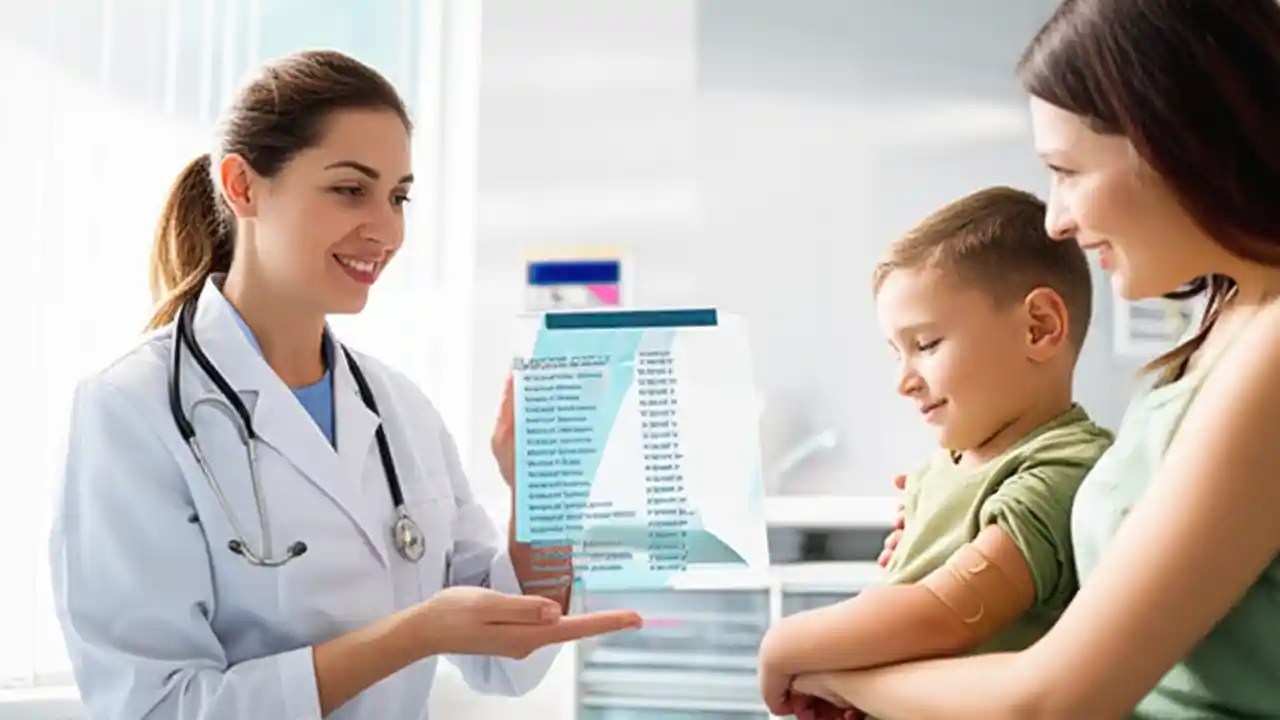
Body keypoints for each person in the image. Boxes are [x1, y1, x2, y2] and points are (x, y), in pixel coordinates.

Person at [49, 49, 640, 720]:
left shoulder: (398, 409)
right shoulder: (133, 410)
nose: (387, 230)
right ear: (243, 186)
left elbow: (507, 658)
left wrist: (545, 494)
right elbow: (159, 708)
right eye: (349, 190)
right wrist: (415, 634)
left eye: (398, 197)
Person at [787, 1, 1280, 718]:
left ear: (1172, 138)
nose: (1057, 218)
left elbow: (1050, 700)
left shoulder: (1269, 352)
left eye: (1067, 170)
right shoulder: (1226, 324)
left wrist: (809, 663)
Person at [756, 187, 1113, 716]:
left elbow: (945, 613)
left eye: (925, 345)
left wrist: (786, 646)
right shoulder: (939, 470)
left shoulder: (1063, 468)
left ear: (1039, 328)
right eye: (895, 352)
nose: (904, 381)